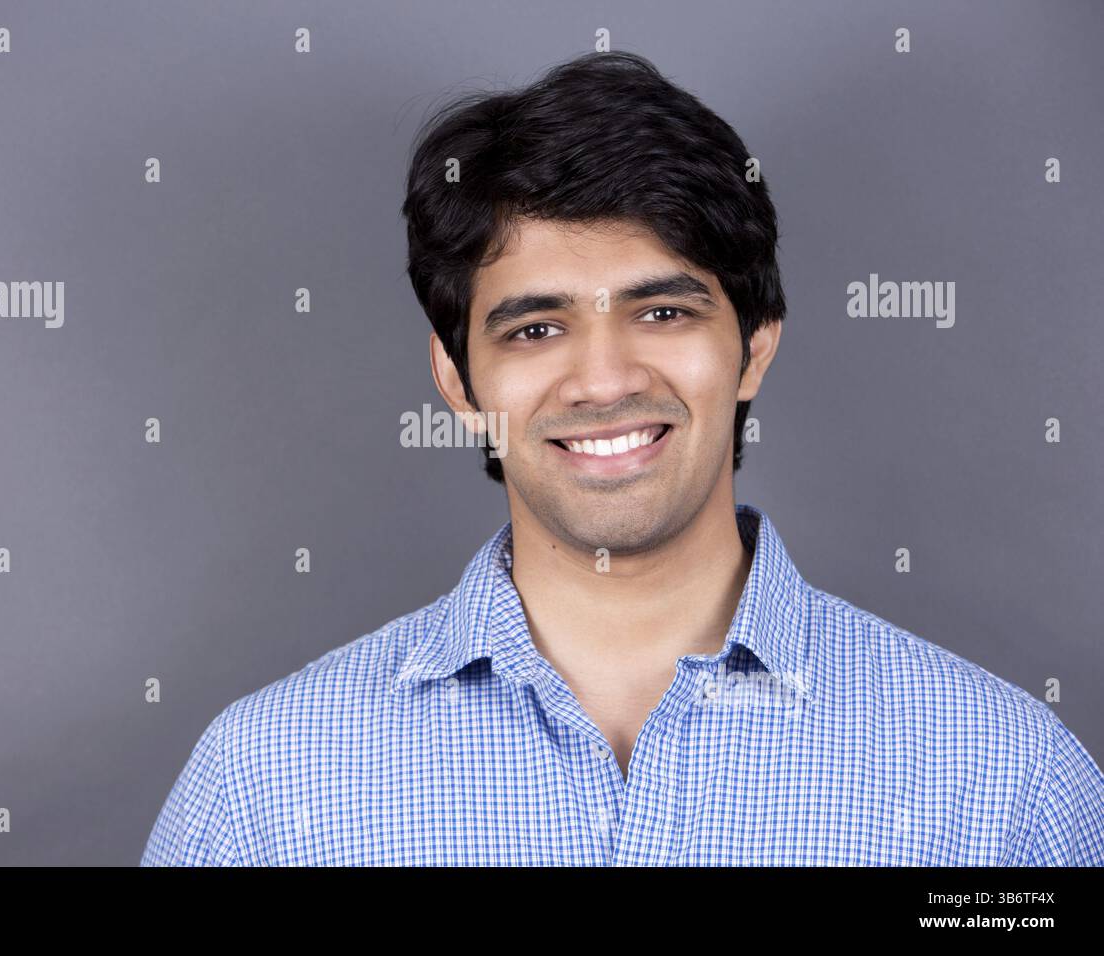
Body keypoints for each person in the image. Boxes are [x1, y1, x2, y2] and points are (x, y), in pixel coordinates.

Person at [141, 51, 1104, 865]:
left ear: (756, 344)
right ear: (456, 375)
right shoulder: (264, 794)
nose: (603, 380)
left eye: (663, 312)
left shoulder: (1002, 784)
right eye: (534, 329)